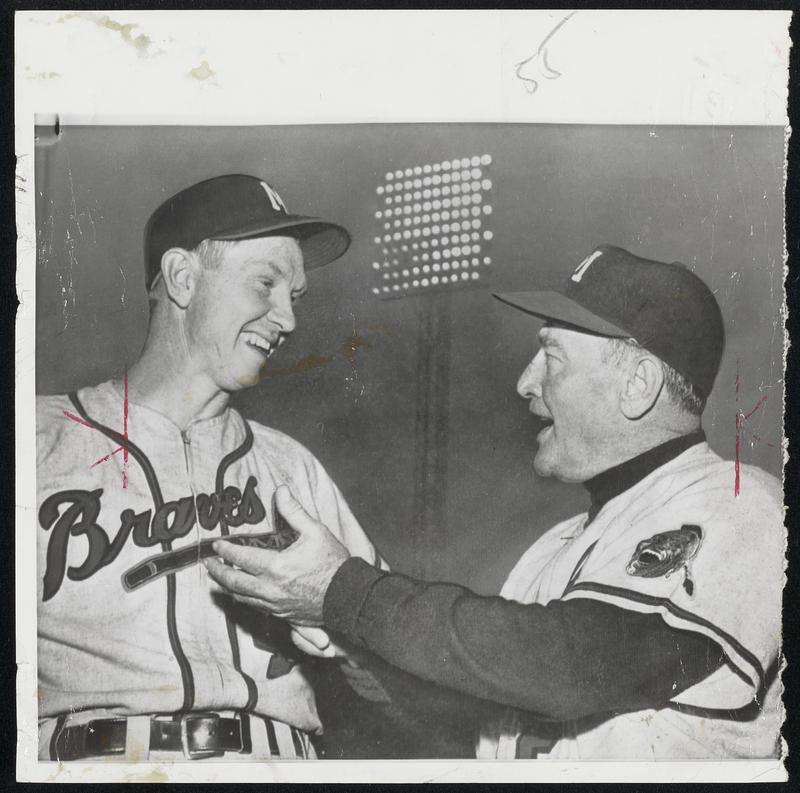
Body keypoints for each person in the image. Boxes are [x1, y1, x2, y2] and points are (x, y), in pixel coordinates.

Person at [207, 244, 784, 760]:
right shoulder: (551, 551)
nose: (525, 383)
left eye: (552, 356)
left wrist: (344, 592)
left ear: (638, 384)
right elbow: (468, 729)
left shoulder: (740, 503)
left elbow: (575, 665)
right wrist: (346, 643)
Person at [36, 173, 386, 762]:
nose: (288, 320)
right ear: (182, 278)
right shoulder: (38, 441)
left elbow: (393, 679)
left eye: (294, 296)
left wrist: (348, 638)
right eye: (265, 284)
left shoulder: (290, 467)